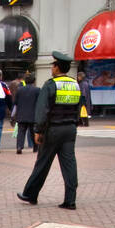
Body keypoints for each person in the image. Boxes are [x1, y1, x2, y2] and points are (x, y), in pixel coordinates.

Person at [17, 52, 82, 210]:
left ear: (57, 67)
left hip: (53, 129)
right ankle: (70, 200)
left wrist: (38, 130)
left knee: (43, 163)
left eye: (53, 65)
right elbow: (79, 107)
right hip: (70, 129)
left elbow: (42, 110)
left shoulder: (51, 85)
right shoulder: (75, 84)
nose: (51, 68)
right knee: (69, 164)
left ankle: (30, 194)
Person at [13, 74, 39, 154]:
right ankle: (35, 147)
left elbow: (15, 103)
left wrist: (13, 115)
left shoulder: (19, 90)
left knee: (21, 132)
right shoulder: (37, 90)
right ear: (34, 81)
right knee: (33, 132)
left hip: (21, 114)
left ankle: (19, 147)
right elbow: (39, 103)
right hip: (33, 115)